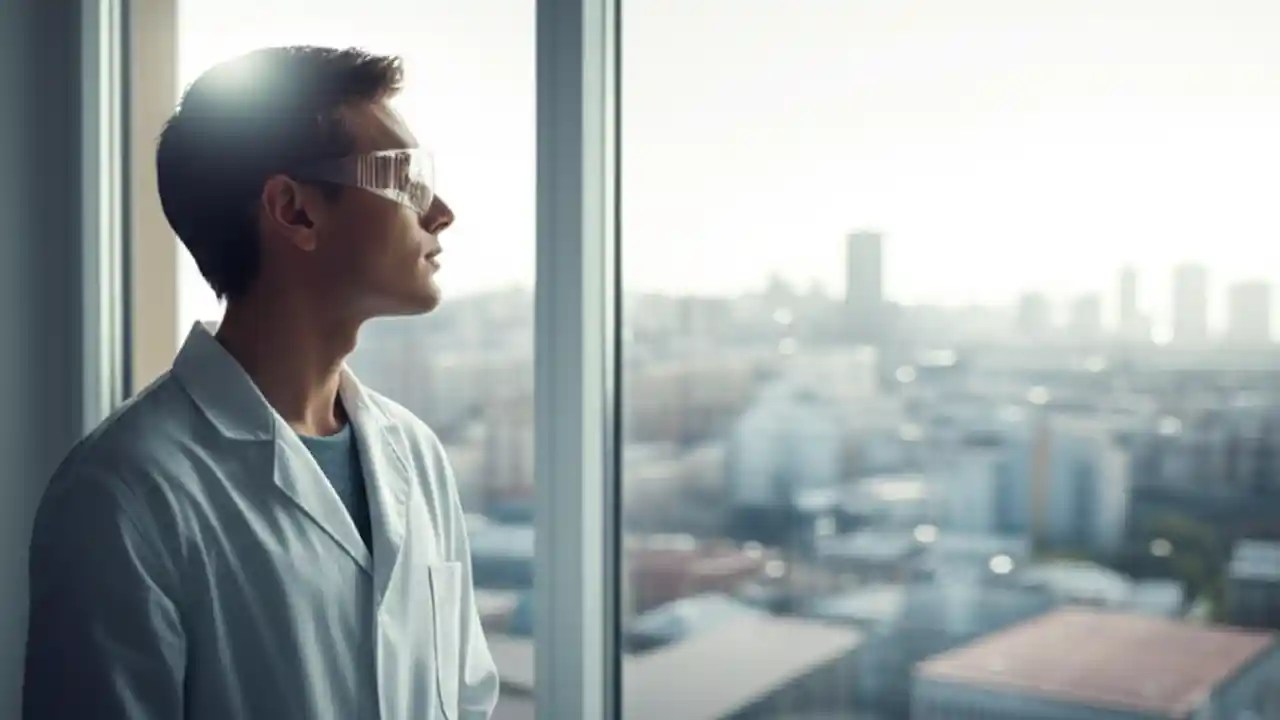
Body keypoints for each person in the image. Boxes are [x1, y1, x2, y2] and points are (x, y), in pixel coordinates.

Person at [23, 46, 499, 720]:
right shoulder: (122, 493)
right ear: (294, 211)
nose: (440, 210)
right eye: (403, 177)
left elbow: (468, 697)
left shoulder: (415, 455)